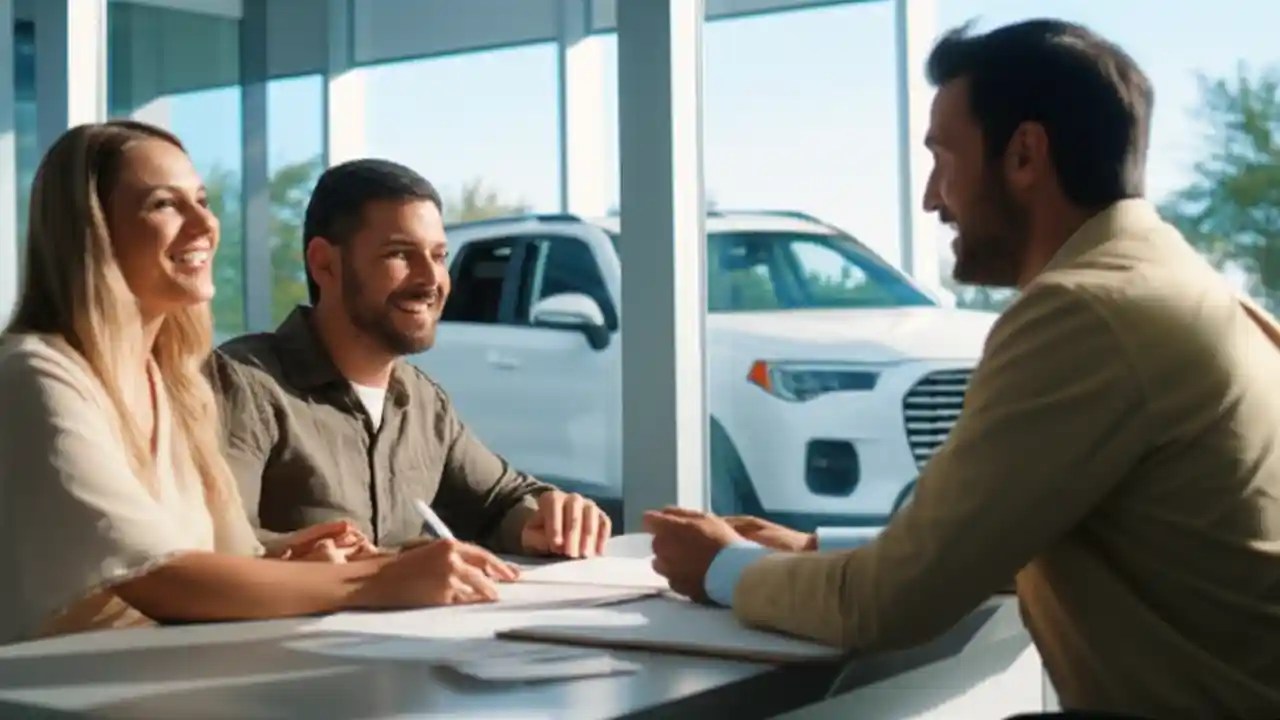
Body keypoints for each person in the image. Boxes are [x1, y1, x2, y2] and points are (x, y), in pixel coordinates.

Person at [644, 19, 1280, 718]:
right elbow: (1013, 526)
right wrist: (817, 544)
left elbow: (887, 605)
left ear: (1025, 154)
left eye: (943, 157)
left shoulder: (1084, 312)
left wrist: (722, 570)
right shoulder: (1184, 287)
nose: (931, 198)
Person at [0, 121, 520, 645]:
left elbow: (221, 554)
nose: (205, 222)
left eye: (201, 200)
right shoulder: (34, 376)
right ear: (91, 231)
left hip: (157, 675)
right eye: (164, 204)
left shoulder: (172, 383)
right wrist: (378, 578)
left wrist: (298, 556)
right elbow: (159, 578)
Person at [206, 158, 612, 560]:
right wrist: (325, 565)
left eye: (438, 256)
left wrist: (548, 520)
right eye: (400, 254)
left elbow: (501, 500)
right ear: (324, 264)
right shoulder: (243, 385)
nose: (430, 279)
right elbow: (210, 549)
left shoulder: (422, 400)